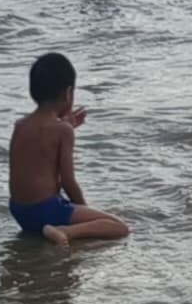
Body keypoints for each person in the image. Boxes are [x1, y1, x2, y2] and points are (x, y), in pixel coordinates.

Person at [7, 52, 130, 247]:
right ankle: (65, 231)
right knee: (119, 227)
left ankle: (50, 229)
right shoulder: (62, 131)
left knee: (55, 210)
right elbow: (68, 181)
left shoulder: (20, 125)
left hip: (20, 211)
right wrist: (84, 211)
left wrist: (66, 125)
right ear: (68, 93)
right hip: (46, 211)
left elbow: (34, 157)